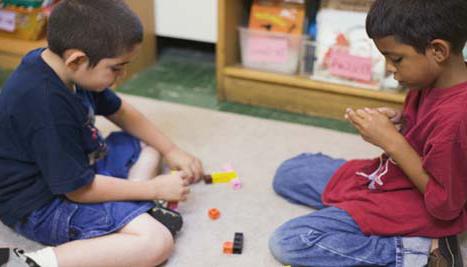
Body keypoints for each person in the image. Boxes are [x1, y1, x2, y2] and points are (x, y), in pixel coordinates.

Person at [0, 0, 204, 266]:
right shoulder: (45, 105)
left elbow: (120, 111)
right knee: (156, 241)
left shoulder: (62, 66)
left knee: (147, 144)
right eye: (116, 67)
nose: (123, 74)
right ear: (77, 59)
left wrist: (171, 150)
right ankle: (31, 262)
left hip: (77, 169)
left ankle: (133, 204)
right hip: (40, 205)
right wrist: (151, 187)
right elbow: (78, 191)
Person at [269, 0, 467, 266]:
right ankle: (353, 213)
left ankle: (421, 250)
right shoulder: (432, 78)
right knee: (290, 172)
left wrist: (393, 141)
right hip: (395, 177)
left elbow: (446, 205)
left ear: (438, 50)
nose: (388, 68)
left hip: (424, 205)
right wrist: (401, 122)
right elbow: (426, 135)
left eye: (396, 59)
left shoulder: (457, 118)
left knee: (291, 241)